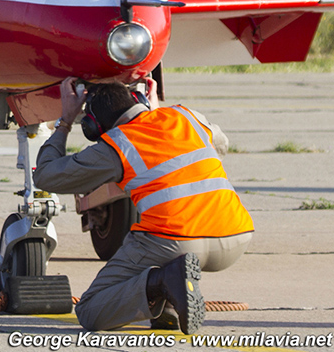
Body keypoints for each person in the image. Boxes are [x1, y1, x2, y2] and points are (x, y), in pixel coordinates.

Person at [34, 77, 254, 334]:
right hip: (235, 238)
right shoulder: (186, 117)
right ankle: (168, 304)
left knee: (90, 310)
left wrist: (65, 121)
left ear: (93, 126)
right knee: (161, 238)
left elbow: (46, 176)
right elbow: (221, 145)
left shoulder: (117, 144)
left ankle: (161, 283)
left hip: (175, 241)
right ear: (138, 101)